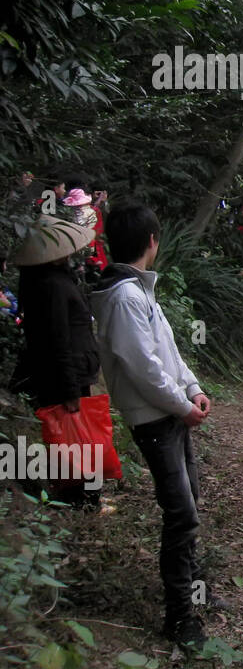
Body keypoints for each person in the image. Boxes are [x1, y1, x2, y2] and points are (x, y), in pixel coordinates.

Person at [90, 203, 211, 649]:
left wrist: (192, 388)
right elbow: (143, 366)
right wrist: (181, 406)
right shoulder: (124, 296)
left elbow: (168, 352)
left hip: (169, 413)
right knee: (180, 513)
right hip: (155, 419)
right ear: (152, 241)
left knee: (189, 502)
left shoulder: (138, 290)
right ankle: (180, 616)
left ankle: (196, 590)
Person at [8, 216, 104, 509]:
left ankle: (85, 496)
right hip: (66, 374)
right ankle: (83, 500)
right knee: (75, 438)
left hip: (72, 370)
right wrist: (70, 388)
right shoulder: (51, 286)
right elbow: (57, 339)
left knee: (78, 437)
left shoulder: (49, 280)